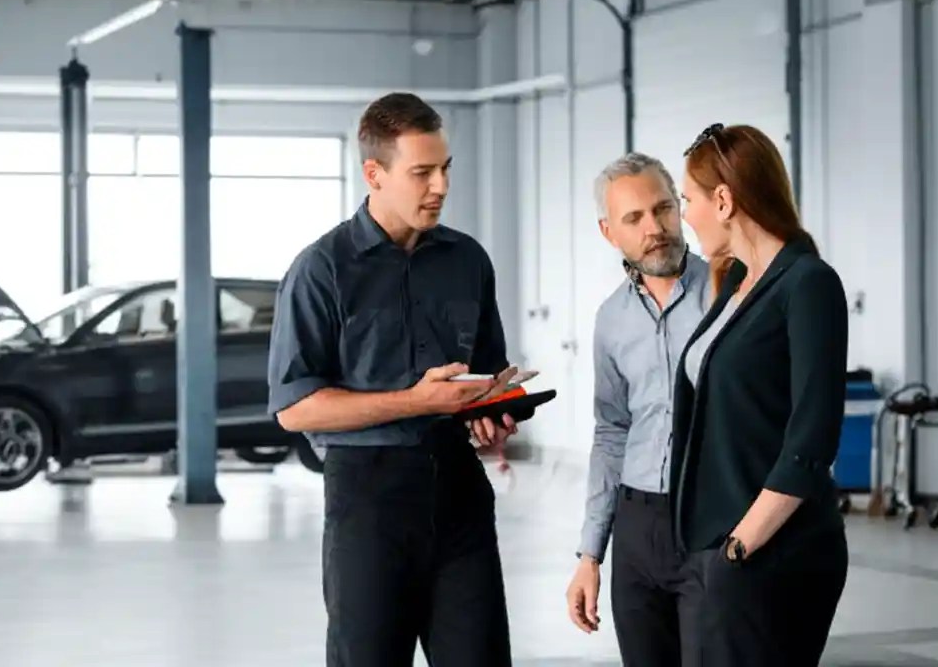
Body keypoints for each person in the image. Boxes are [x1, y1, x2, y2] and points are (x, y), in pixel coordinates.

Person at [267, 92, 520, 667]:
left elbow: (485, 375)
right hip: (368, 501)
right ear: (374, 174)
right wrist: (414, 401)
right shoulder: (321, 269)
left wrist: (490, 413)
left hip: (459, 493)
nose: (441, 187)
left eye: (446, 168)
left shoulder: (468, 260)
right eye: (422, 173)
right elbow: (295, 407)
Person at [671, 123, 849, 666]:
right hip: (718, 551)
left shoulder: (807, 283)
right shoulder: (737, 286)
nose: (684, 214)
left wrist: (738, 549)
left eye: (688, 200)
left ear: (723, 200)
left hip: (769, 553)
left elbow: (812, 440)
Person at [565, 153, 711, 666]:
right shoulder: (611, 319)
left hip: (713, 521)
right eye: (634, 219)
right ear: (610, 233)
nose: (655, 228)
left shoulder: (730, 293)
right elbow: (612, 432)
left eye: (663, 209)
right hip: (637, 525)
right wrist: (590, 556)